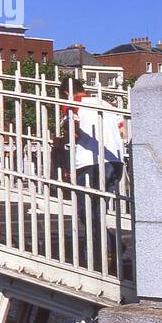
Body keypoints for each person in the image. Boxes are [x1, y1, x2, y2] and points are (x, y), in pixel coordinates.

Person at [60, 76, 125, 265]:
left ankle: (95, 258)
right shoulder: (107, 103)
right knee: (98, 211)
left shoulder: (73, 103)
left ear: (66, 93)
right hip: (114, 161)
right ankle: (110, 247)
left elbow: (71, 130)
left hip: (90, 162)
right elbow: (122, 132)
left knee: (87, 212)